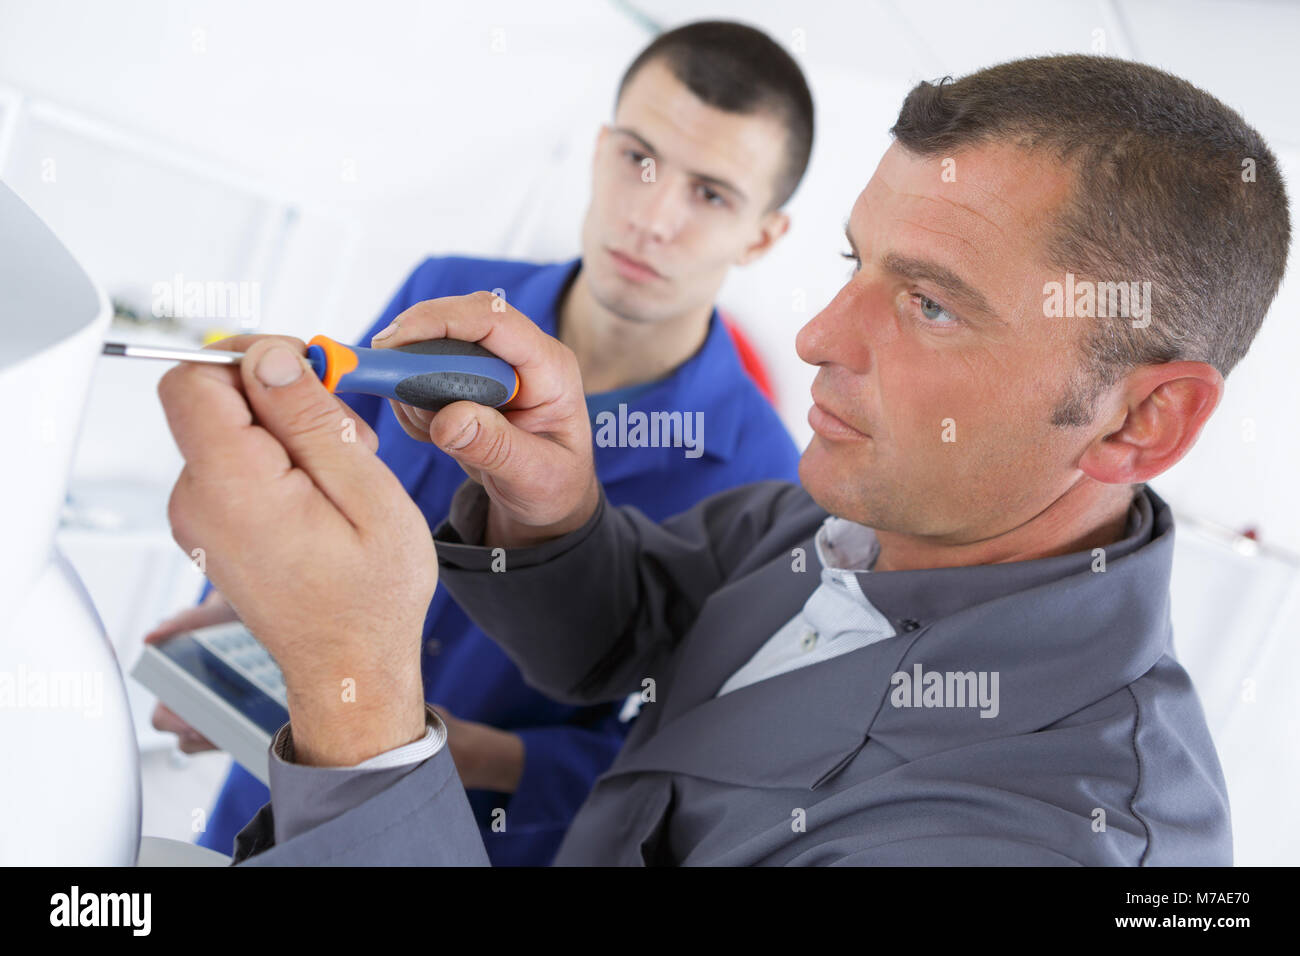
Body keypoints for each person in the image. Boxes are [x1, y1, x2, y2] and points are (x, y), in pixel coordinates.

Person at [155, 53, 1290, 866]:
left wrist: (355, 695)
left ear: (1142, 421)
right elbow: (640, 627)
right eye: (859, 261)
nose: (815, 340)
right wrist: (547, 510)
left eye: (932, 306)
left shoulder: (1044, 826)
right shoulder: (834, 517)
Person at [146, 20, 812, 865]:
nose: (652, 218)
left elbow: (680, 777)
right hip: (276, 783)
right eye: (638, 160)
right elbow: (326, 487)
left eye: (711, 194)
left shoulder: (765, 483)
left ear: (762, 236)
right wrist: (245, 618)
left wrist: (443, 747)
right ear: (601, 149)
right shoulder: (445, 292)